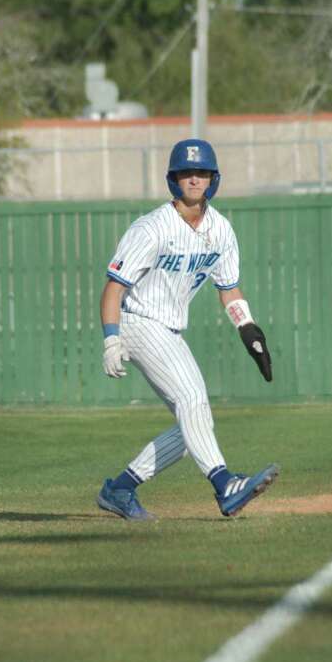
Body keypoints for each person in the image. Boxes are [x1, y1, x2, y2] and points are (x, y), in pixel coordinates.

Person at [96, 138, 278, 521]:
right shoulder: (151, 228)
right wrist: (111, 338)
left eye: (201, 173)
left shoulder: (221, 230)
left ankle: (120, 489)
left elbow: (228, 288)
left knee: (192, 425)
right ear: (173, 180)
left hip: (169, 329)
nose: (194, 179)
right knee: (193, 398)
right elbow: (114, 287)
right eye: (186, 173)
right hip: (139, 320)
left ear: (213, 179)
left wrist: (248, 330)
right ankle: (225, 483)